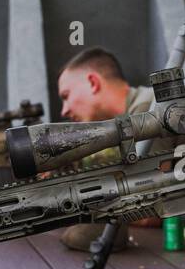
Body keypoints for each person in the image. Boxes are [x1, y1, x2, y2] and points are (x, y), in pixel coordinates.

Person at [54, 46, 157, 250]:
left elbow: (147, 211)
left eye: (66, 96)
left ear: (93, 83)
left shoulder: (147, 111)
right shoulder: (127, 121)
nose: (64, 110)